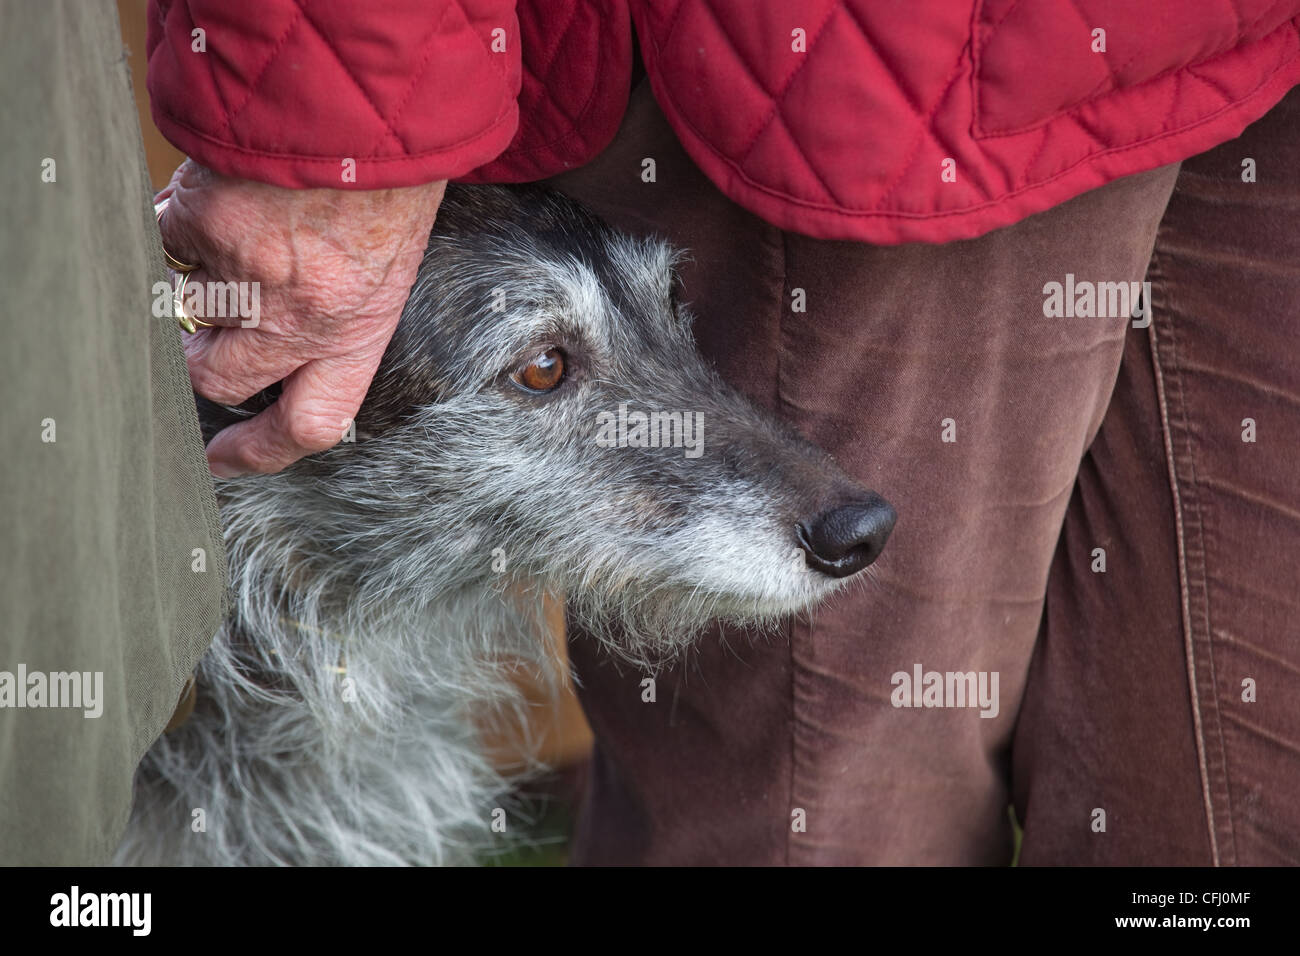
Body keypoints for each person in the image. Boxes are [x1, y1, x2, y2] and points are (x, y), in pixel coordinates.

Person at [4, 0, 1297, 864]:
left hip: (1234, 47)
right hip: (868, 77)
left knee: (1225, 785)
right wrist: (328, 124)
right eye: (546, 368)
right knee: (823, 803)